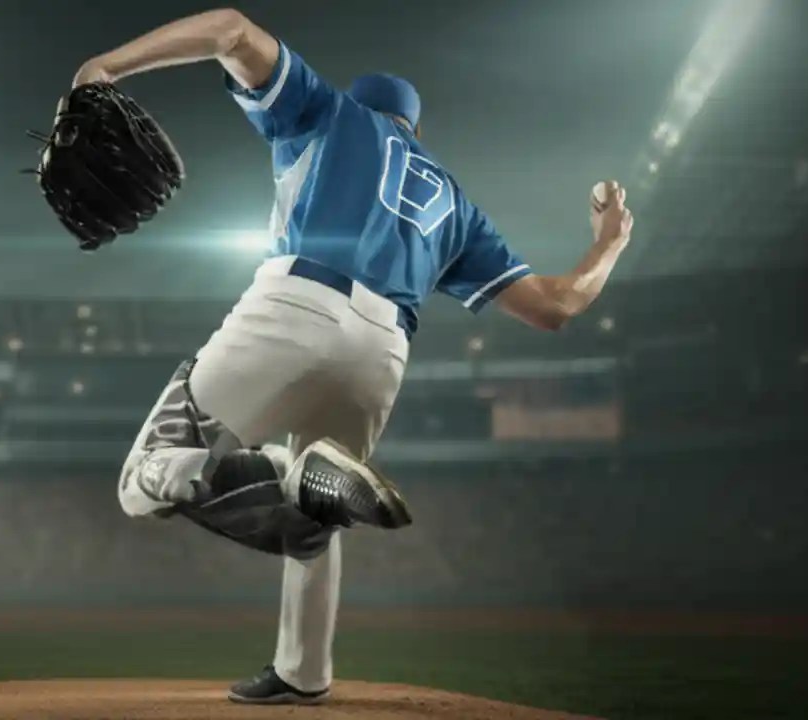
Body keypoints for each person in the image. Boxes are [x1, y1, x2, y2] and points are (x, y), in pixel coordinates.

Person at [73, 8, 633, 705]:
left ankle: (280, 473)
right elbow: (555, 306)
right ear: (415, 131)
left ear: (364, 104)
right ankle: (303, 671)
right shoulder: (456, 207)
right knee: (315, 521)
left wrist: (105, 66)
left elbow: (230, 28)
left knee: (141, 480)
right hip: (384, 349)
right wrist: (609, 241)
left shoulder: (328, 111)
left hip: (298, 302)